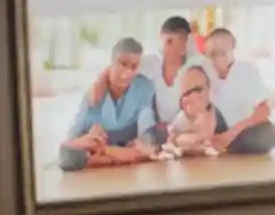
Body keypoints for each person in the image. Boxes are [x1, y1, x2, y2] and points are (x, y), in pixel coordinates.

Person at [60, 38, 156, 172]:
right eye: (123, 64)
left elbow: (147, 137)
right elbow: (69, 147)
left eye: (134, 66)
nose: (128, 71)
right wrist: (89, 138)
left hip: (126, 161)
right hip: (97, 159)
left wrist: (104, 150)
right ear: (112, 62)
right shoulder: (94, 95)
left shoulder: (144, 88)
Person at [204, 28, 275, 155]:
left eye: (223, 53)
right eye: (213, 54)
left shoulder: (247, 69)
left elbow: (264, 110)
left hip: (241, 130)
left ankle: (223, 145)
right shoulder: (203, 71)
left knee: (273, 133)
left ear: (232, 49)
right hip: (214, 127)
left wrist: (231, 134)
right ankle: (218, 144)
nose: (218, 59)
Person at [157, 66, 221, 159]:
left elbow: (207, 136)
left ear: (208, 90)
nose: (194, 95)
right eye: (188, 93)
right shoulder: (181, 117)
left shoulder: (213, 115)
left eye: (198, 90)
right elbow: (173, 134)